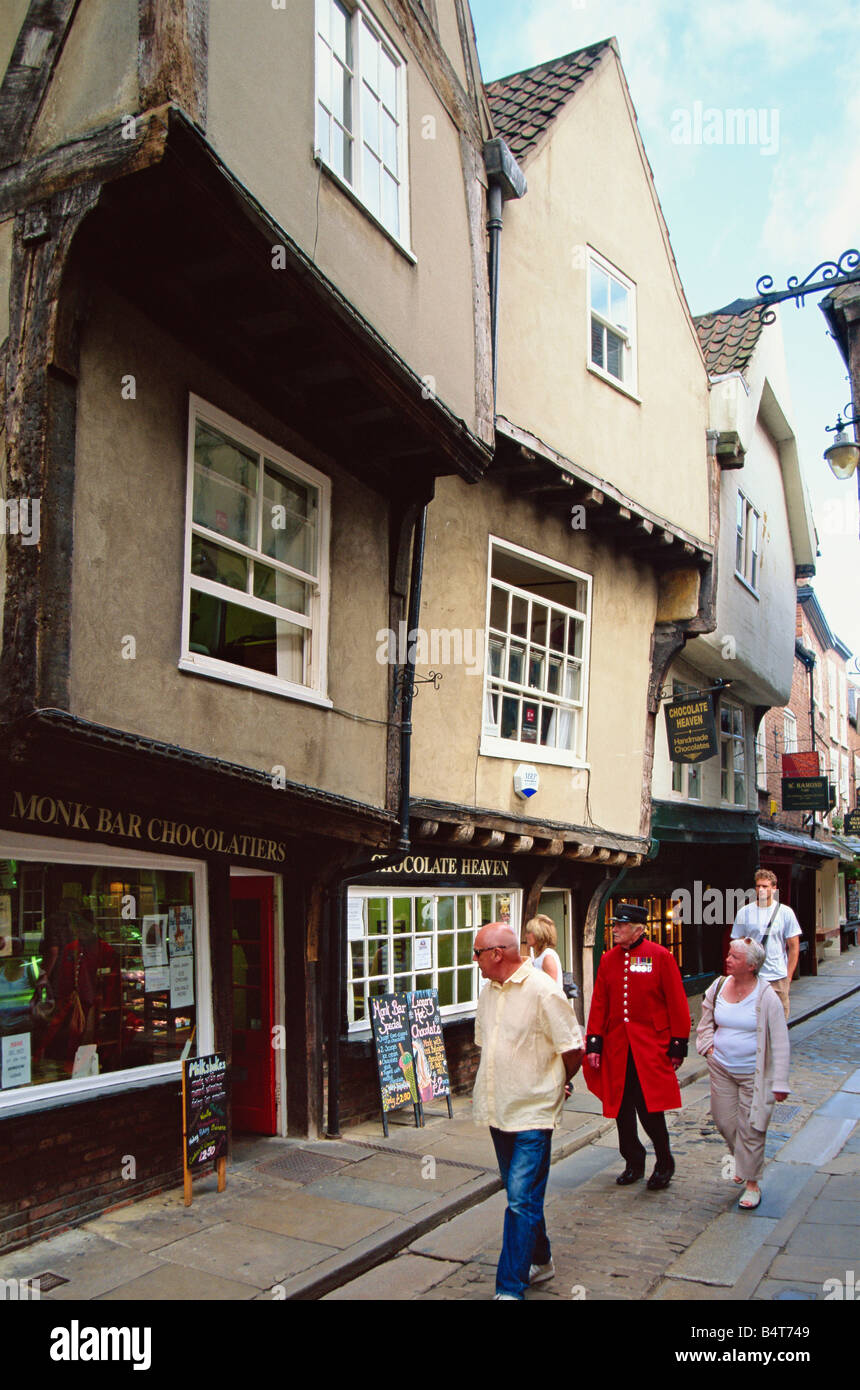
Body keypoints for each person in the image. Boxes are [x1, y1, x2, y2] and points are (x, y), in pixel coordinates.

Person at [472, 922, 584, 1300]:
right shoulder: (488, 993)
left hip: (534, 1112)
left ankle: (509, 1287)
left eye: (477, 954)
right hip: (498, 1110)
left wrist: (556, 1085)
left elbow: (573, 1048)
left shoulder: (543, 990)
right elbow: (486, 1046)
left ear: (496, 954)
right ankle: (542, 1258)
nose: (475, 961)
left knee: (520, 1200)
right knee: (523, 1196)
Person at [584, 902, 691, 1190]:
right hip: (618, 1047)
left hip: (651, 1046)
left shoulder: (660, 956)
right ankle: (633, 1160)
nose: (615, 929)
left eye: (620, 925)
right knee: (621, 1107)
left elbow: (677, 1002)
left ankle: (665, 1161)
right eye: (615, 925)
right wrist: (594, 1043)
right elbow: (600, 1003)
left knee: (650, 1108)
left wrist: (678, 1044)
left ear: (637, 929)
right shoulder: (608, 960)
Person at [696, 936, 790, 1209]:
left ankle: (752, 1184)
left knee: (752, 1127)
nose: (727, 959)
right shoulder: (719, 985)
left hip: (753, 1072)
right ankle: (743, 1160)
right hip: (722, 1068)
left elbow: (781, 1040)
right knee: (725, 1122)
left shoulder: (766, 996)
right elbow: (706, 1020)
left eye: (734, 957)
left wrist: (780, 1081)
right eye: (728, 954)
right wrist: (708, 1048)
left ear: (750, 966)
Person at [731, 868, 800, 1020]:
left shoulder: (785, 912)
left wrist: (788, 977)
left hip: (778, 977)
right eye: (758, 886)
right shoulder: (745, 912)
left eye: (765, 886)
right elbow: (737, 945)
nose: (761, 889)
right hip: (753, 977)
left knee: (779, 1024)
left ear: (774, 888)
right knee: (752, 1022)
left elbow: (794, 947)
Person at [524, 914, 564, 994]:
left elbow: (551, 989)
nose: (526, 935)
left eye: (529, 932)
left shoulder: (547, 957)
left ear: (538, 934)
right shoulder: (538, 956)